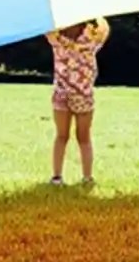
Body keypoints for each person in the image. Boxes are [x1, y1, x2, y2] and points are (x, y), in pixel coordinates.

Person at [46, 18, 110, 185]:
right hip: (64, 93)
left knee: (83, 137)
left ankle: (87, 176)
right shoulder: (59, 37)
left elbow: (104, 29)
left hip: (82, 94)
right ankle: (57, 176)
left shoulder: (90, 36)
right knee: (62, 135)